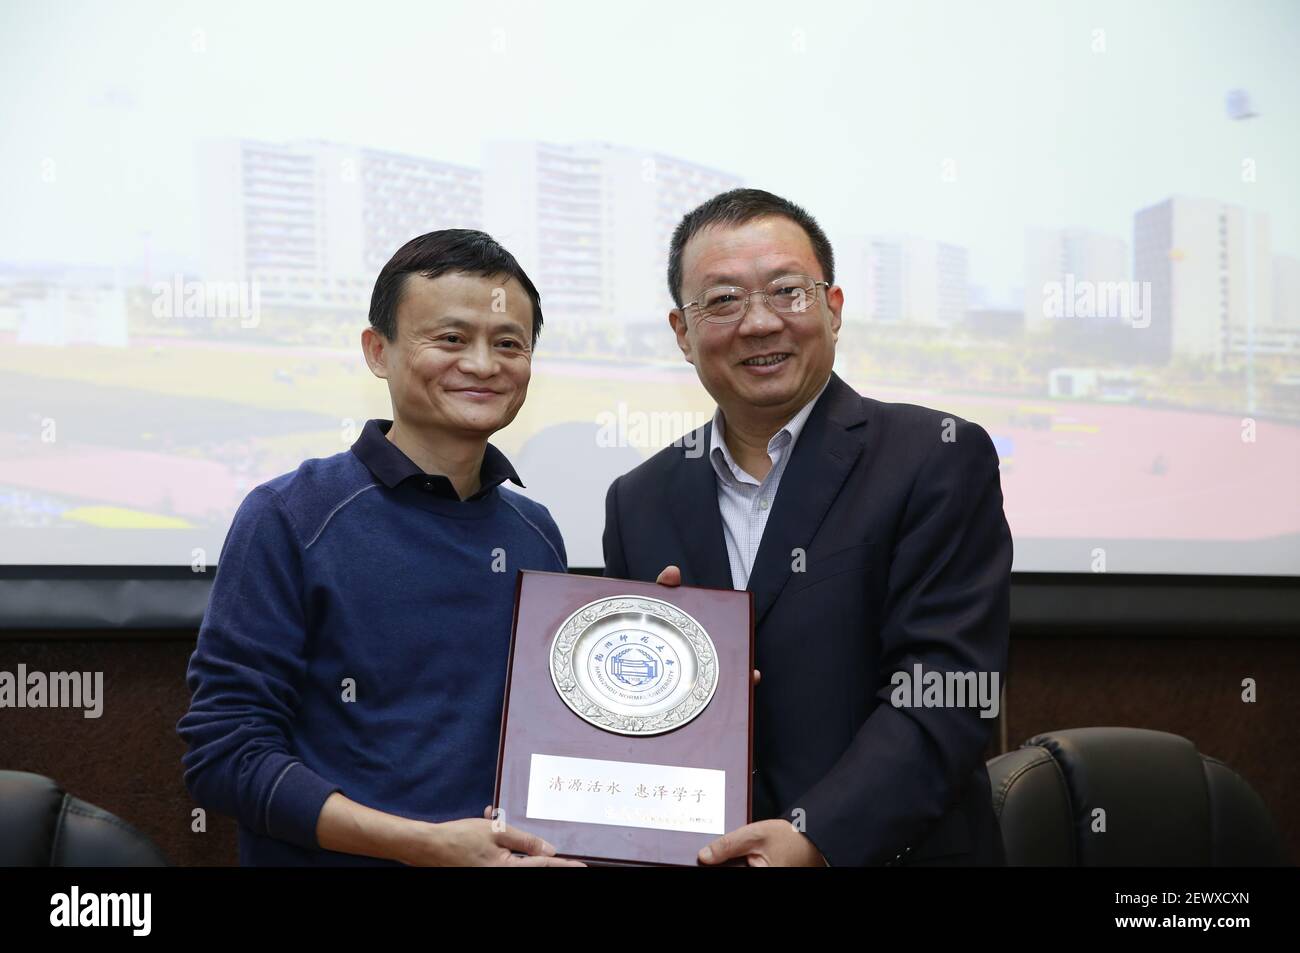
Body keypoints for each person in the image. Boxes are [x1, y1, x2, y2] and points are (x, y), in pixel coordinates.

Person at [602, 189, 1012, 866]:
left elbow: (946, 684)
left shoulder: (933, 456)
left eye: (787, 291)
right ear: (682, 332)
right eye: (724, 300)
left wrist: (818, 835)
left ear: (833, 308)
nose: (759, 323)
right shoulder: (639, 499)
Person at [177, 229, 582, 866]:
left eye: (509, 343)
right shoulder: (289, 515)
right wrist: (427, 846)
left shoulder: (536, 533)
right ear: (377, 350)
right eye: (450, 338)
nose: (482, 364)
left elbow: (561, 734)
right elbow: (226, 754)